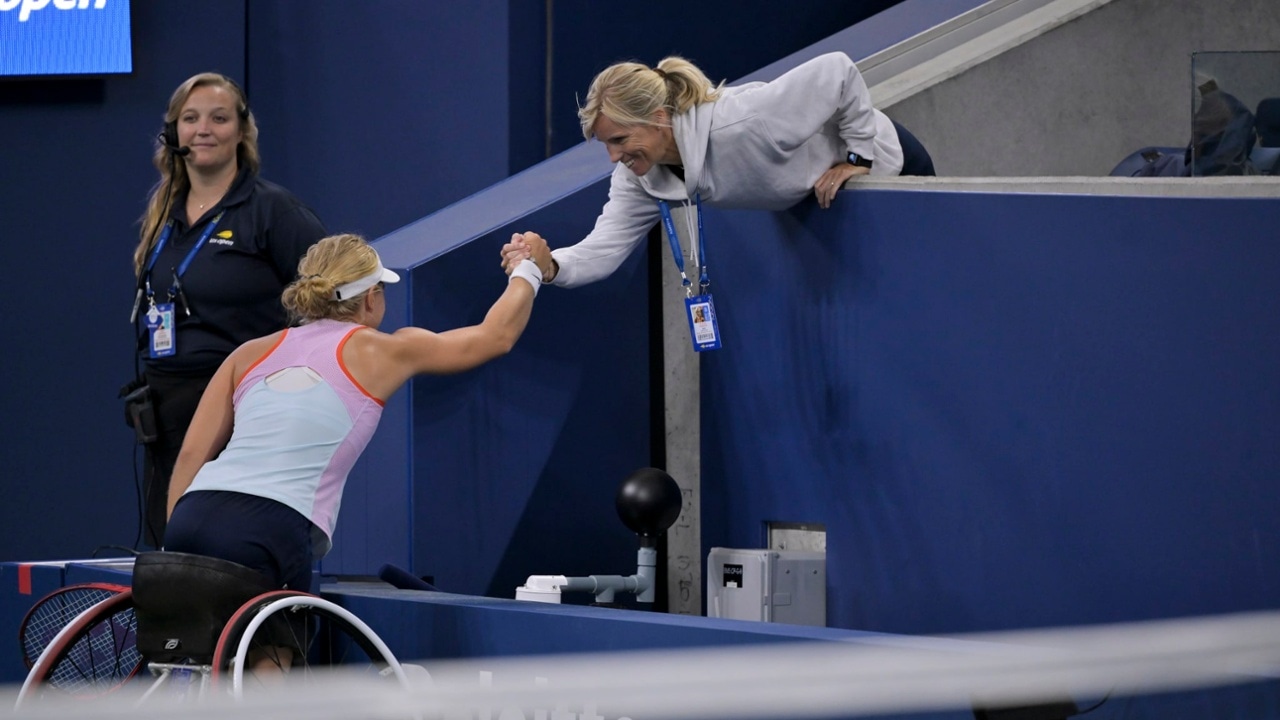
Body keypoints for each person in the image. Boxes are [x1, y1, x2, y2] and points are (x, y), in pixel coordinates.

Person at [164, 233, 542, 600]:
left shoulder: (247, 353)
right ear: (372, 298)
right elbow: (496, 337)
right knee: (273, 659)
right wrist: (528, 268)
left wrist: (174, 546)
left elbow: (191, 457)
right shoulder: (386, 350)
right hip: (269, 525)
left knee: (199, 647)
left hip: (193, 514)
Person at [499, 51, 934, 288]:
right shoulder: (642, 177)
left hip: (895, 165)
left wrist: (858, 159)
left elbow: (838, 71)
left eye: (619, 140)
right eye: (606, 145)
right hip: (821, 201)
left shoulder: (744, 121)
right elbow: (604, 249)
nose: (614, 158)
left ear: (658, 117)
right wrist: (549, 265)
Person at [129, 72, 327, 548]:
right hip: (166, 408)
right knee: (168, 546)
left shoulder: (273, 211)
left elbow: (329, 298)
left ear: (242, 131)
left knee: (223, 547)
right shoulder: (165, 213)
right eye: (190, 119)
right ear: (172, 133)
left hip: (240, 409)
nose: (203, 130)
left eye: (219, 118)